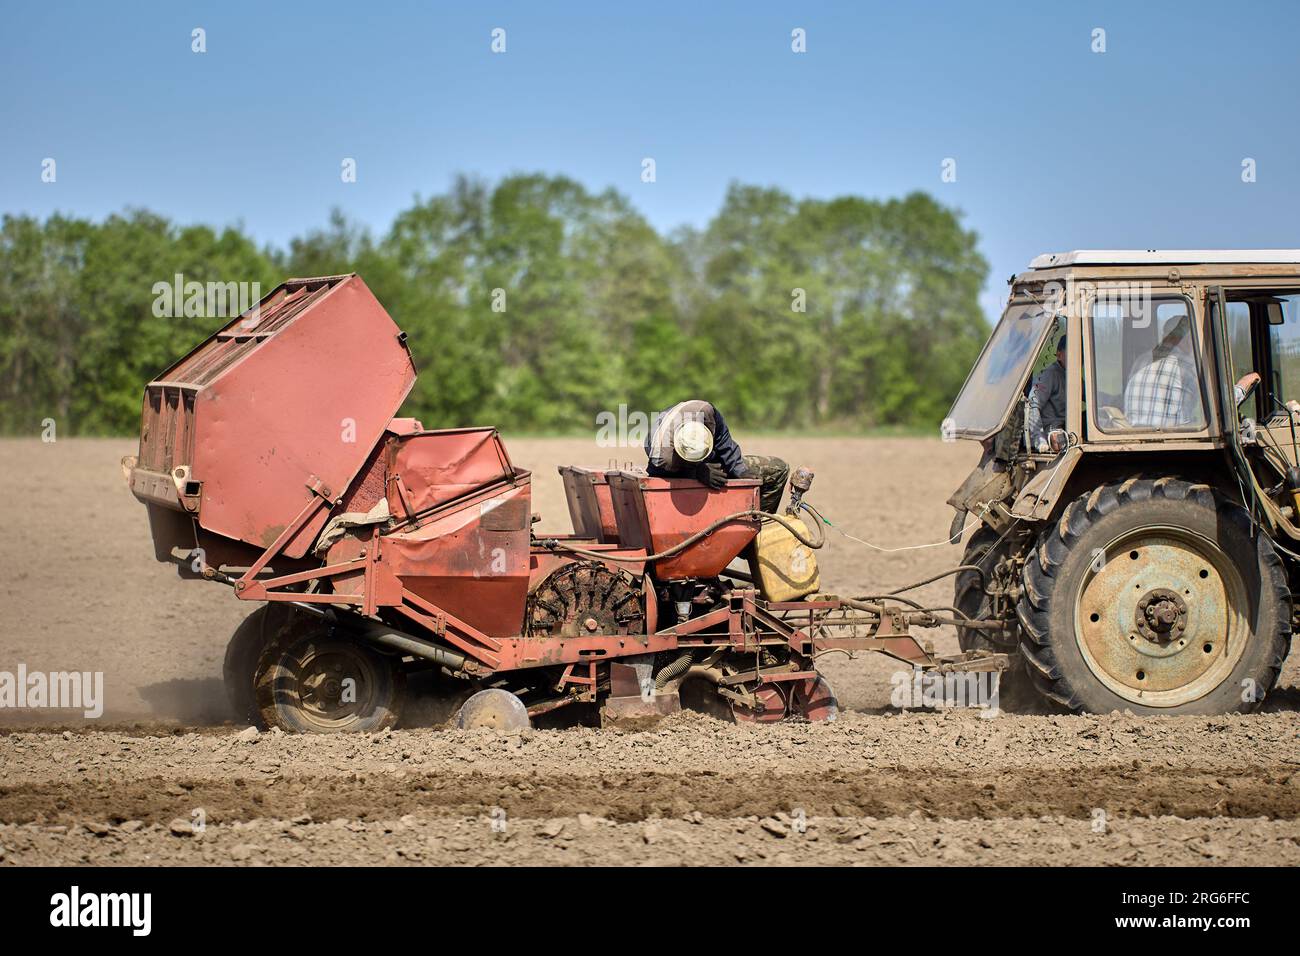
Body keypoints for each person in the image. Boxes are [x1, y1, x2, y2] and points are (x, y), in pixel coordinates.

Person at [645, 400, 789, 514]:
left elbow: (724, 441)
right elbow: (658, 478)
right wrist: (697, 473)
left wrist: (740, 471)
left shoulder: (706, 413)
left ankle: (757, 528)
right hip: (677, 461)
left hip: (702, 451)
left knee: (777, 468)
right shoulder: (662, 457)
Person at [1123, 316, 1203, 429]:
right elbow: (1219, 406)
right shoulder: (1188, 365)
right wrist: (1238, 389)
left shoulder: (1141, 360)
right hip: (1173, 442)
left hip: (1135, 438)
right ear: (1188, 340)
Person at [1026, 333, 1067, 449]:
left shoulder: (1071, 376)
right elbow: (1032, 405)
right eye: (1073, 353)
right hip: (1051, 429)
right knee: (1061, 440)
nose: (1080, 358)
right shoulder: (1049, 375)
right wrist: (1039, 438)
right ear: (1059, 355)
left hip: (1067, 425)